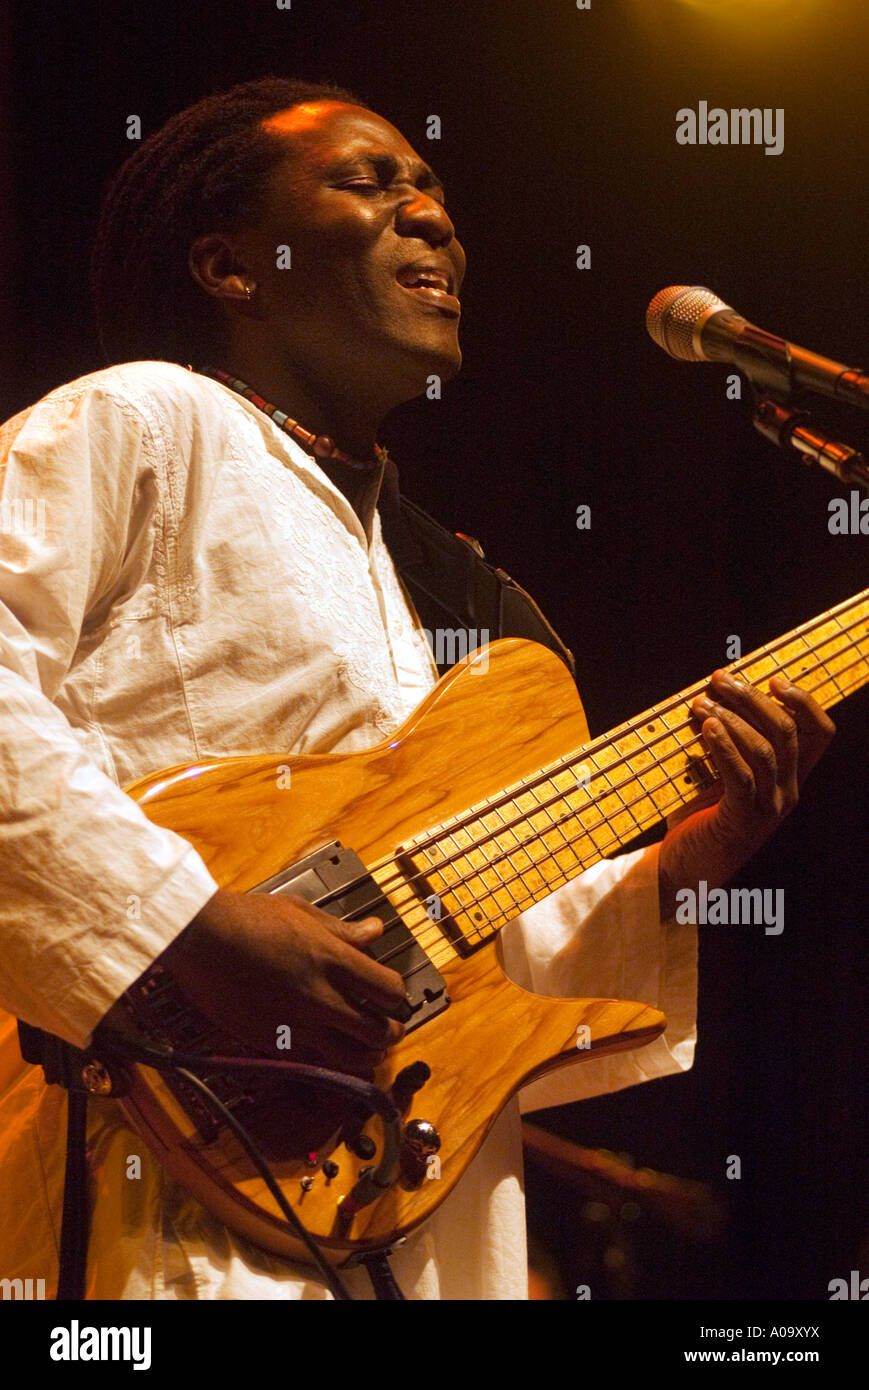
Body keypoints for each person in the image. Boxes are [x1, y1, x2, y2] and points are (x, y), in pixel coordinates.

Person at [0, 77, 835, 1300]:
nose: (433, 217)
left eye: (432, 189)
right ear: (233, 267)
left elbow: (463, 942)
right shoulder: (141, 419)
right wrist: (184, 918)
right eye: (368, 182)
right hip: (148, 1187)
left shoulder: (463, 590)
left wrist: (693, 857)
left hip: (399, 1211)